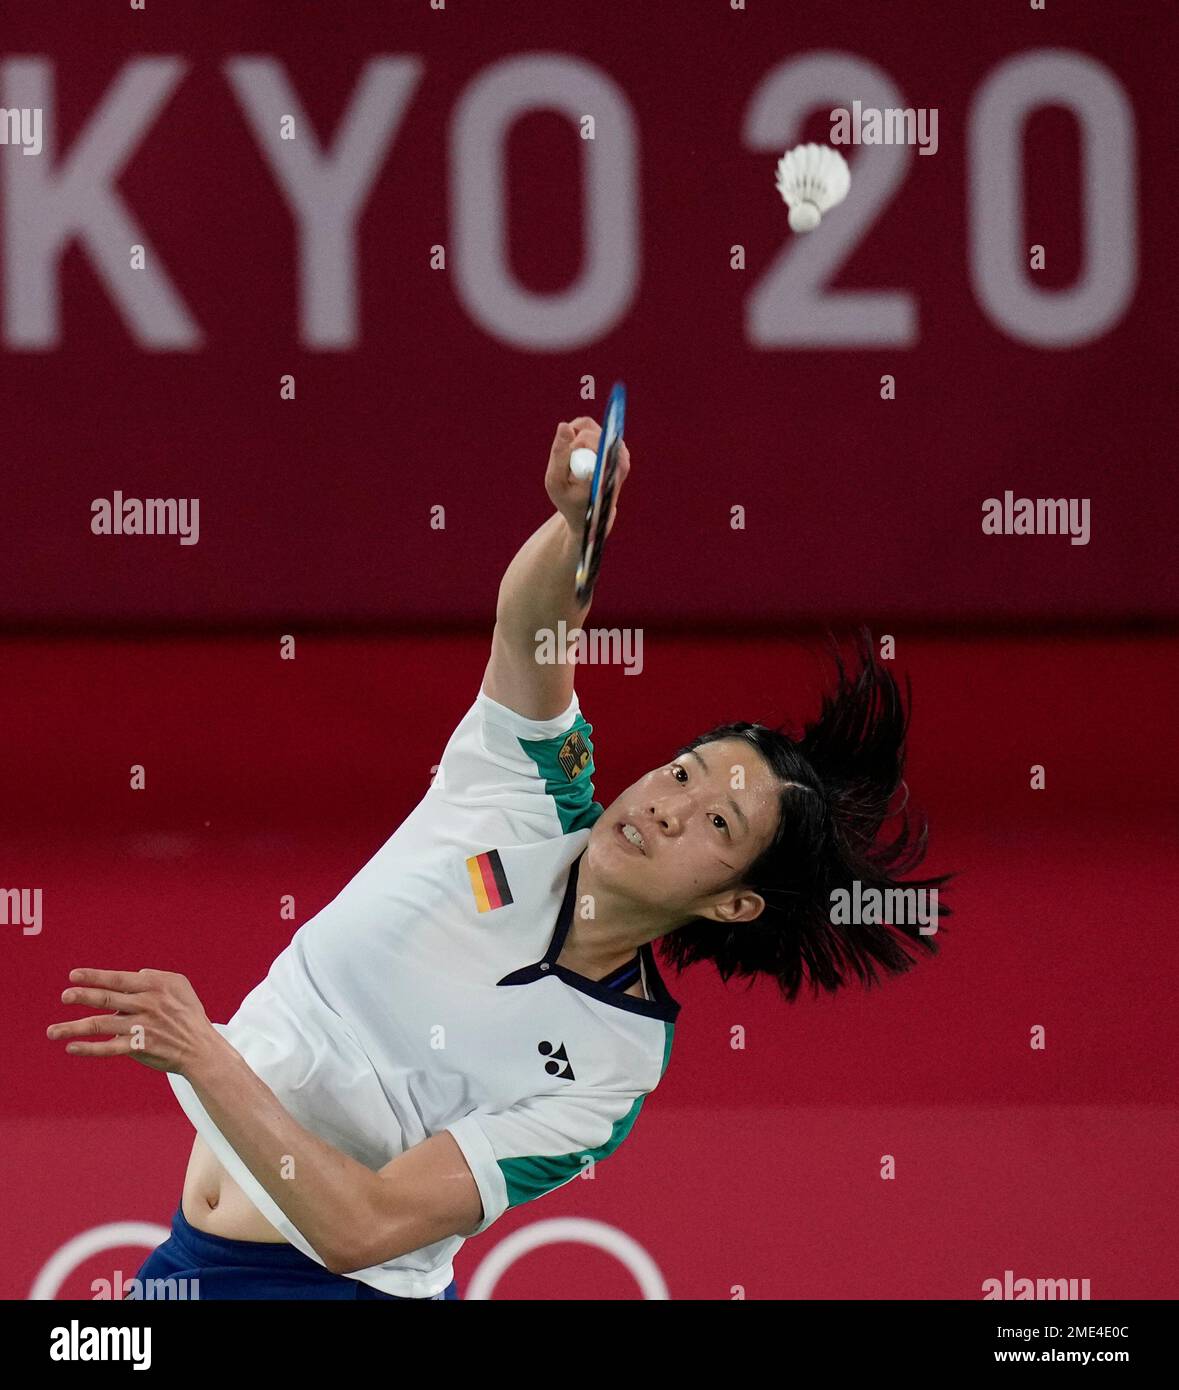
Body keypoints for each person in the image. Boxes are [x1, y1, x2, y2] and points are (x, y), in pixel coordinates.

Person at [46, 415, 949, 1300]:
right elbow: (532, 632)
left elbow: (358, 1228)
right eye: (683, 772)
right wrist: (573, 528)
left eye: (718, 826)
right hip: (184, 1263)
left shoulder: (611, 1066)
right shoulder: (523, 798)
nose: (669, 808)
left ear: (733, 904)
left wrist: (204, 1054)